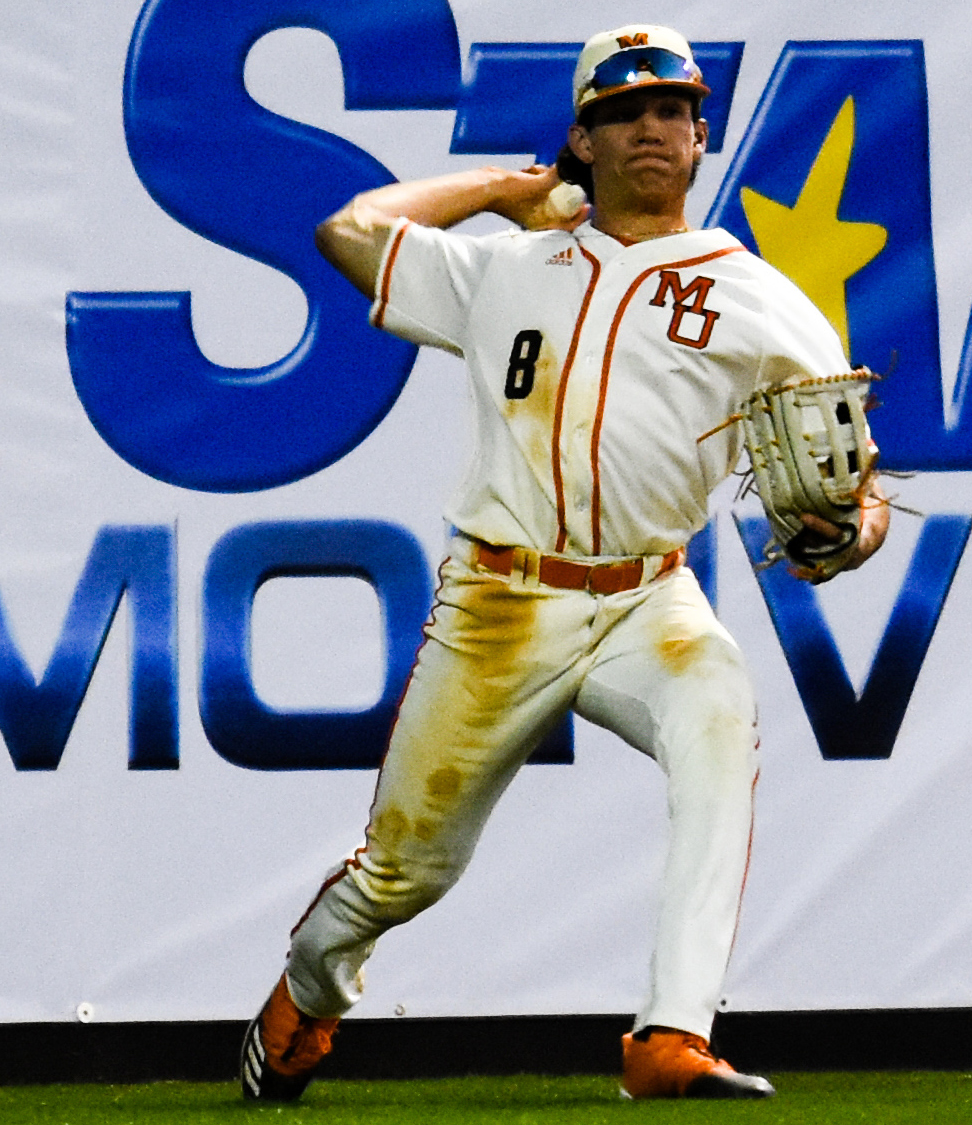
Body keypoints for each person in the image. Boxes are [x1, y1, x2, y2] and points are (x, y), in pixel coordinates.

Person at [239, 23, 888, 1102]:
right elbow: (348, 228)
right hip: (502, 598)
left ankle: (670, 1036)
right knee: (406, 872)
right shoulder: (507, 271)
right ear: (580, 141)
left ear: (698, 139)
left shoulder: (758, 300)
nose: (651, 129)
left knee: (719, 722)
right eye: (622, 112)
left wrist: (854, 534)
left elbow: (859, 478)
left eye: (672, 111)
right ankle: (310, 989)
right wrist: (502, 189)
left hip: (647, 598)